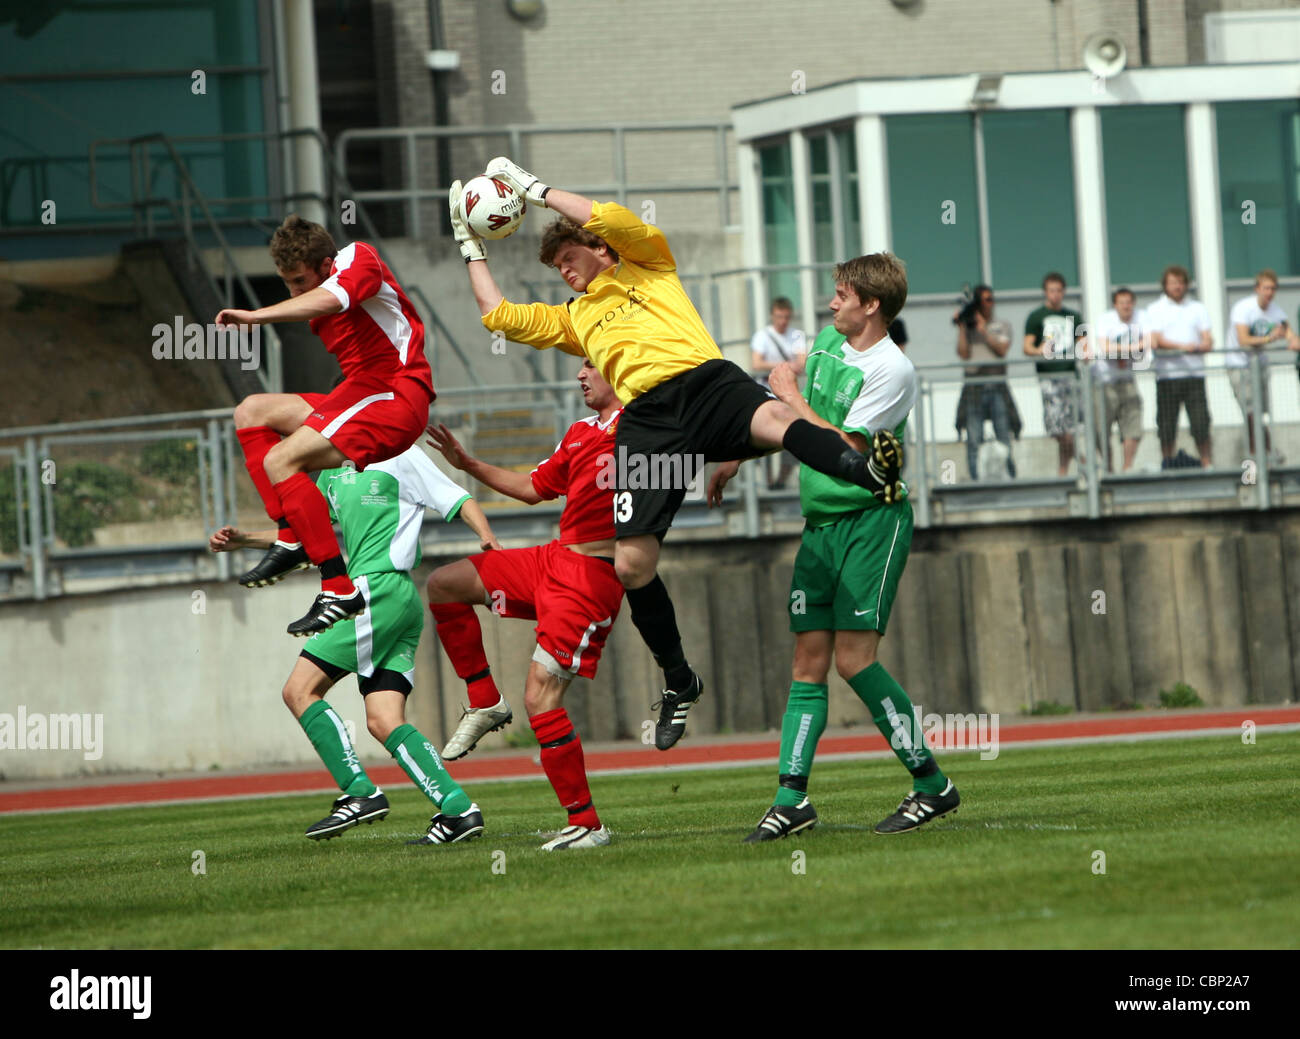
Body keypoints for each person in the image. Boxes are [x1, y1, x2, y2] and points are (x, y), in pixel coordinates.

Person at [449, 157, 904, 753]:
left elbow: (608, 217)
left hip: (705, 381)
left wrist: (535, 191)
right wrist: (468, 243)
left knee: (775, 417)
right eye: (557, 266)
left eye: (569, 259)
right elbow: (499, 316)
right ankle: (679, 680)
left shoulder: (647, 263)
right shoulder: (577, 318)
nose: (563, 272)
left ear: (601, 251)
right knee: (631, 565)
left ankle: (863, 470)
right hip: (650, 423)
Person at [708, 255, 958, 841]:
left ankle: (932, 786)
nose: (831, 304)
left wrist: (791, 395)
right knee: (807, 662)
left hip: (871, 520)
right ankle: (791, 800)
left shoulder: (894, 371)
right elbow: (793, 427)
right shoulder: (824, 342)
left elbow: (847, 449)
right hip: (820, 523)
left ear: (872, 305)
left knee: (853, 660)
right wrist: (737, 457)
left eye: (841, 295)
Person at [208, 441, 499, 844]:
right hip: (392, 601)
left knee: (299, 691)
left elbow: (457, 497)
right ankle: (458, 809)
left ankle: (360, 792)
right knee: (384, 720)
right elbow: (309, 537)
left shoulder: (401, 454)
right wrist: (245, 540)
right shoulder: (330, 470)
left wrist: (488, 538)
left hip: (376, 591)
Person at [423, 358, 625, 850]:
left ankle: (587, 824)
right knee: (443, 584)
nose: (580, 374)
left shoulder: (641, 428)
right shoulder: (578, 432)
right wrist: (468, 464)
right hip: (549, 561)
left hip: (589, 578)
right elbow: (534, 488)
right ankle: (485, 700)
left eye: (590, 364)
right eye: (578, 365)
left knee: (541, 699)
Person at [216, 215, 435, 636]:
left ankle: (338, 587)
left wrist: (255, 316)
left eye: (300, 281)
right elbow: (318, 301)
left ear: (326, 264)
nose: (296, 291)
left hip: (395, 396)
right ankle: (290, 536)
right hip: (360, 395)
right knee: (250, 411)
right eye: (288, 284)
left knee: (282, 459)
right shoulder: (321, 283)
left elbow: (331, 299)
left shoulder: (358, 257)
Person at [1146, 265, 1212, 469]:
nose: (1177, 287)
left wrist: (1201, 346)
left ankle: (1206, 462)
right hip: (1167, 376)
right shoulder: (1155, 309)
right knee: (1166, 424)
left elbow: (1208, 339)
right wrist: (1183, 347)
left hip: (1194, 375)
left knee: (1200, 422)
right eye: (1173, 282)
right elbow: (1155, 340)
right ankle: (1167, 462)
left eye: (1181, 282)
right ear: (1165, 285)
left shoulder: (1197, 308)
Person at [1226, 269, 1295, 463]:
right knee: (1251, 410)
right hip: (1240, 365)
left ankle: (1262, 453)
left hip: (1259, 367)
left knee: (1261, 411)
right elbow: (1243, 339)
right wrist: (1269, 338)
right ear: (1257, 288)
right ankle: (1261, 452)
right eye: (1266, 288)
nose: (1269, 292)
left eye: (1273, 288)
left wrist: (1291, 339)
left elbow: (1290, 335)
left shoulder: (1277, 311)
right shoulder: (1243, 308)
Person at [1023, 272, 1085, 477]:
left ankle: (1063, 471)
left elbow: (1083, 345)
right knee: (1056, 428)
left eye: (1059, 290)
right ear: (1045, 292)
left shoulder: (1074, 316)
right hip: (1049, 378)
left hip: (1070, 376)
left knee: (1069, 427)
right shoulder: (1036, 316)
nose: (1055, 294)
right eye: (1051, 290)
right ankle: (1083, 460)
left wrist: (1086, 353)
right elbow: (1027, 347)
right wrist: (1039, 349)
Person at [954, 284, 1016, 480]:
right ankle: (976, 479)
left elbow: (1002, 349)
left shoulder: (1001, 325)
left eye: (990, 299)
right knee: (974, 437)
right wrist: (963, 327)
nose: (987, 304)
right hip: (974, 386)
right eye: (983, 300)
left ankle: (1009, 476)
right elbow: (963, 353)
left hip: (997, 385)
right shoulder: (969, 327)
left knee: (1003, 435)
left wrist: (983, 329)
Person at [750, 297, 808, 489]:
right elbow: (756, 364)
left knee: (790, 435)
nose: (782, 321)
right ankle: (768, 482)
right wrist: (786, 365)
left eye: (786, 317)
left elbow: (802, 363)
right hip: (766, 394)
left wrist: (787, 366)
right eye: (779, 317)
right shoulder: (762, 336)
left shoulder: (796, 335)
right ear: (772, 316)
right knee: (766, 436)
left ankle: (780, 481)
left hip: (787, 395)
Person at [1090, 288, 1146, 473]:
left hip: (1128, 379)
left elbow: (1147, 346)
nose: (1126, 306)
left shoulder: (1141, 318)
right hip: (1104, 381)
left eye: (1129, 302)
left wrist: (1121, 351)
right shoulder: (1106, 320)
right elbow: (1105, 348)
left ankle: (1127, 467)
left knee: (1133, 424)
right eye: (1122, 302)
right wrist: (1130, 349)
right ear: (1115, 304)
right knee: (1100, 428)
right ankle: (1108, 468)